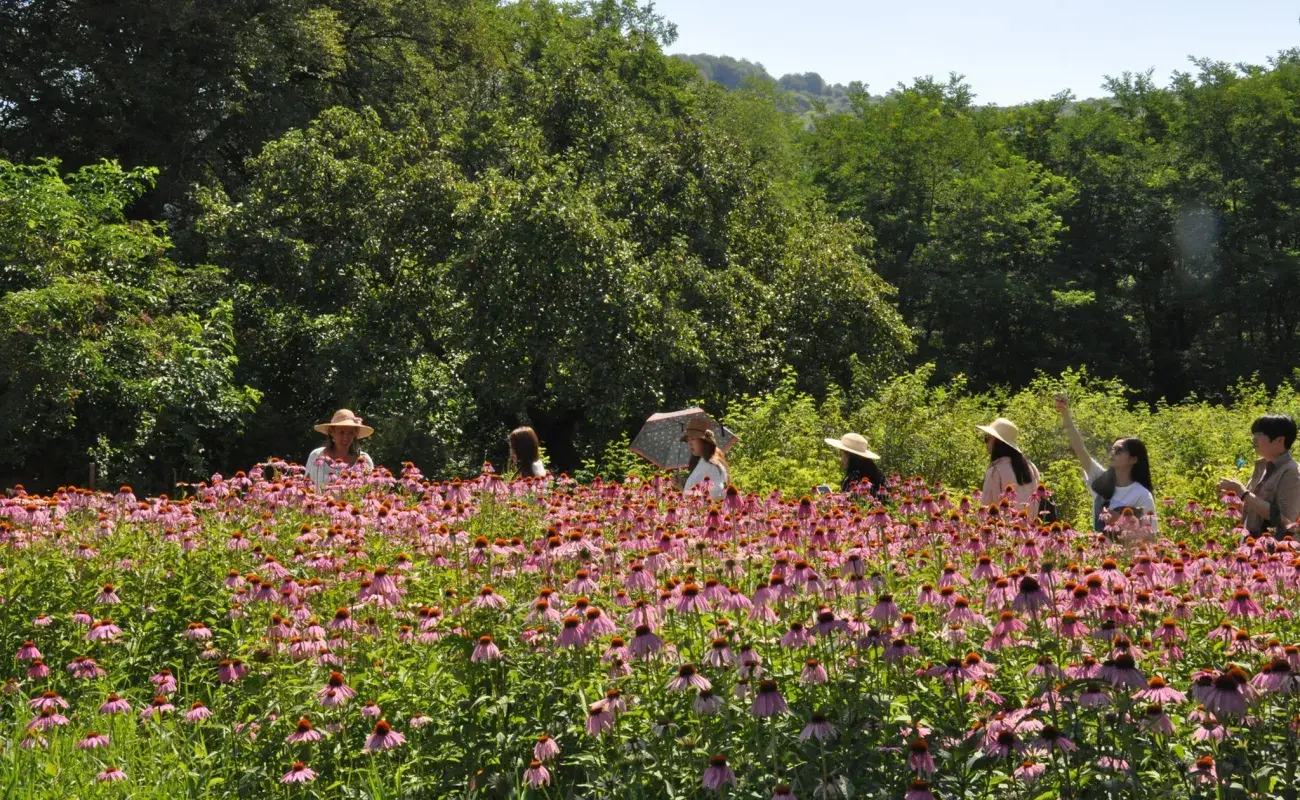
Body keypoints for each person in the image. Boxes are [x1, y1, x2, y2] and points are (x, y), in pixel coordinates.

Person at [1054, 395, 1157, 532]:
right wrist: (1065, 413)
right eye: (1112, 449)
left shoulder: (1142, 495)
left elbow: (1150, 537)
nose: (1113, 453)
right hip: (1099, 552)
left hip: (1128, 553)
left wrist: (1120, 521)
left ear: (1134, 459)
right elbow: (1079, 448)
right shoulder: (1101, 481)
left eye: (1119, 450)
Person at [1218, 414, 1300, 539]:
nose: (1254, 439)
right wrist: (1235, 500)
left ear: (1279, 440)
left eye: (1260, 434)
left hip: (1274, 554)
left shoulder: (1292, 473)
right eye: (1254, 434)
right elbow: (1255, 510)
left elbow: (1288, 522)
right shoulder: (1262, 467)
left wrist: (1244, 493)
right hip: (1250, 549)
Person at [976, 417, 1040, 518]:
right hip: (1031, 531)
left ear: (997, 441)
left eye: (987, 438)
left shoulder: (995, 471)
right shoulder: (1031, 467)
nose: (986, 442)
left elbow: (987, 508)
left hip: (1005, 530)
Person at [307, 409, 375, 488]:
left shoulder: (364, 460)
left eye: (350, 433)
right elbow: (306, 485)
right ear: (331, 432)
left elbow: (372, 489)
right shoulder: (316, 455)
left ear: (355, 435)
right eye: (341, 432)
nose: (345, 437)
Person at [823, 432, 887, 497]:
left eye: (841, 454)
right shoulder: (877, 476)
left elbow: (847, 503)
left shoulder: (852, 478)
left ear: (848, 455)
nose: (841, 459)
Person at [681, 419, 729, 501]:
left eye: (693, 439)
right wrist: (681, 486)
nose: (690, 443)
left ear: (704, 441)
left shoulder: (711, 465)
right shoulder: (701, 463)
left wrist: (695, 494)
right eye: (688, 440)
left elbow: (718, 493)